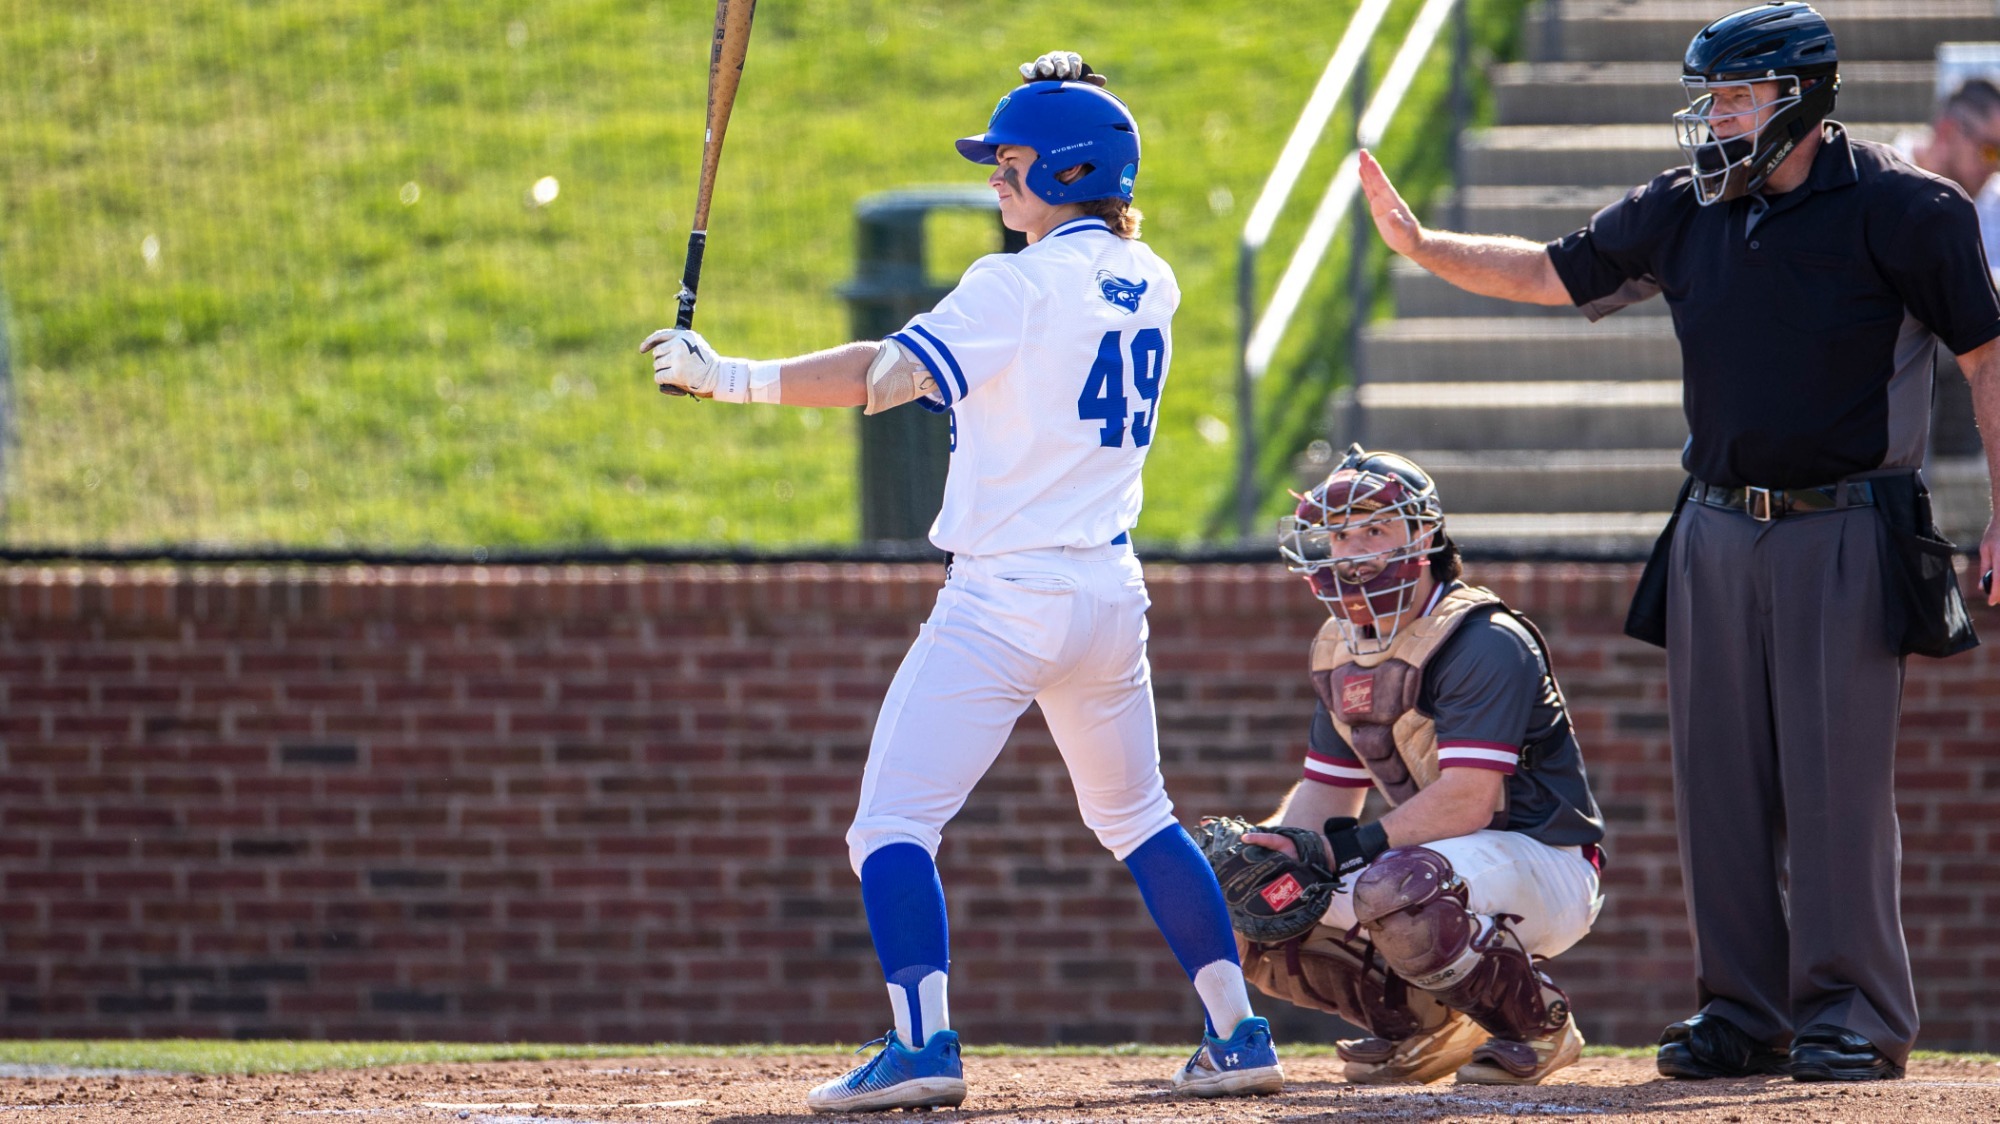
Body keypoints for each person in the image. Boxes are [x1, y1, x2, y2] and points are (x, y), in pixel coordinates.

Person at [1358, 0, 2000, 1083]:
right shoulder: (1685, 205)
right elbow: (1548, 271)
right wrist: (1421, 247)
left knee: (1837, 783)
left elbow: (1985, 360)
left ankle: (1853, 1010)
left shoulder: (1907, 209)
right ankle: (1741, 1008)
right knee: (1719, 782)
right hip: (1708, 525)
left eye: (1736, 97)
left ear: (1797, 98)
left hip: (1843, 525)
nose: (1713, 119)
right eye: (1707, 97)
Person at [640, 52, 1282, 1111]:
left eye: (1013, 161)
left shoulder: (1010, 284)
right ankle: (1235, 1027)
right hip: (1107, 595)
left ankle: (921, 1043)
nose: (996, 177)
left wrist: (727, 377)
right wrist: (1065, 103)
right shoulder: (1150, 277)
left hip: (1002, 598)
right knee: (1137, 816)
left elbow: (882, 379)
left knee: (889, 824)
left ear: (1070, 172)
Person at [1208, 447, 1604, 1087]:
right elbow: (1327, 794)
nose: (1354, 550)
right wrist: (1275, 848)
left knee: (1391, 886)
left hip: (1546, 861)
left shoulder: (1483, 637)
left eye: (1374, 529)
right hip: (1434, 863)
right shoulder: (1341, 646)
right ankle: (1423, 1028)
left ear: (1424, 535)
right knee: (1253, 897)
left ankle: (1538, 1023)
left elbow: (1470, 801)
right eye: (1340, 535)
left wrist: (1341, 853)